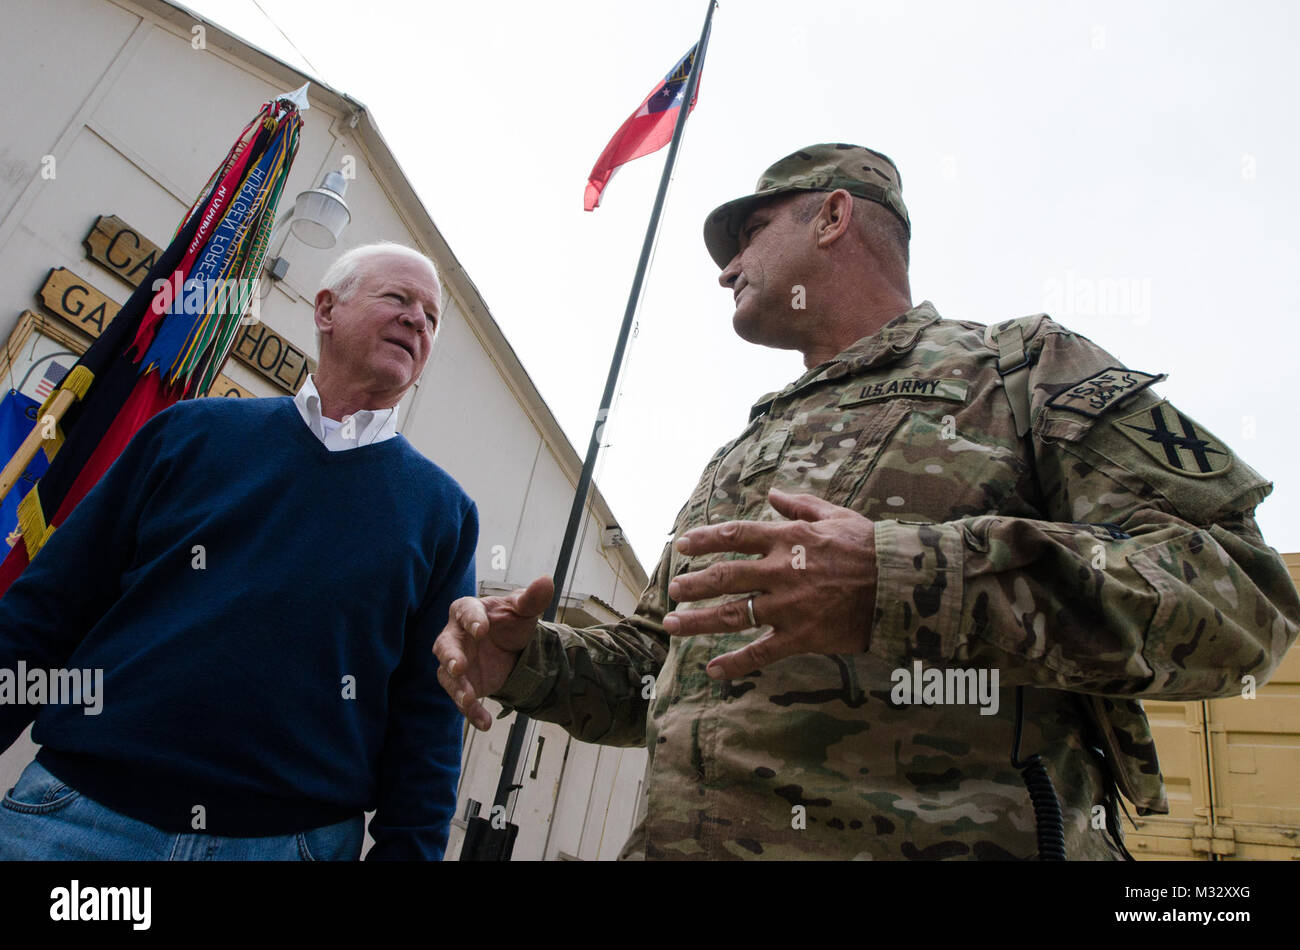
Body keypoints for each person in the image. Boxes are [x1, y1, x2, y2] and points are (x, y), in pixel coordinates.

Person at [435, 144, 1300, 860]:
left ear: (834, 216)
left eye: (749, 233)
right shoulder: (742, 450)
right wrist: (530, 665)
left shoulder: (1018, 372)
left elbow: (1241, 602)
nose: (727, 268)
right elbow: (656, 670)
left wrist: (905, 582)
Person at [0, 242, 477, 860]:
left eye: (432, 317)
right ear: (327, 309)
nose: (418, 320)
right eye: (398, 298)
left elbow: (428, 725)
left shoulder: (443, 513)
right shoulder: (189, 435)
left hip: (289, 847)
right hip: (79, 823)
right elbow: (47, 610)